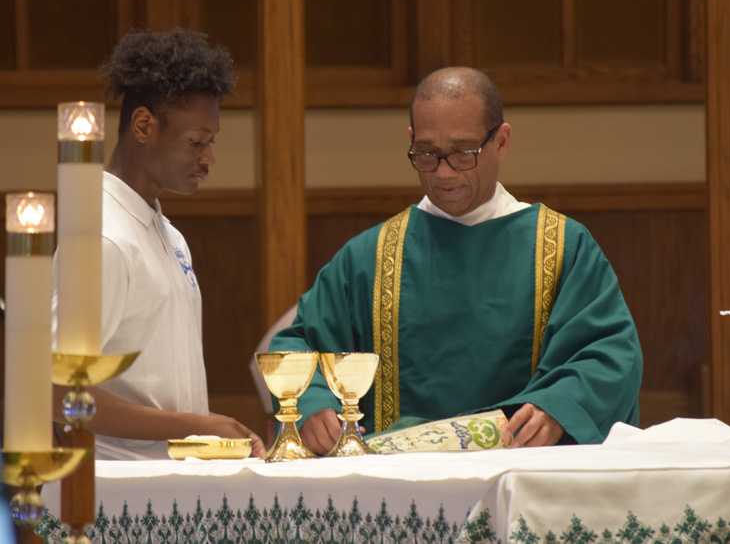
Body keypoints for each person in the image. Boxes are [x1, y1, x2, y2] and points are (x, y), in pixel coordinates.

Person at [268, 66, 643, 452]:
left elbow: (609, 352)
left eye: (463, 153)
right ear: (411, 140)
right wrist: (312, 405)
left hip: (521, 468)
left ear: (501, 142)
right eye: (427, 154)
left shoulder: (562, 246)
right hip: (399, 478)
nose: (444, 172)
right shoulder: (369, 257)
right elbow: (297, 345)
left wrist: (559, 407)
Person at [52, 28, 264, 460]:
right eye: (196, 142)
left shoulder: (167, 233)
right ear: (144, 126)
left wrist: (207, 428)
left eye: (211, 142)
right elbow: (56, 392)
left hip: (167, 481)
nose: (209, 158)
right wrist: (195, 427)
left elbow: (157, 385)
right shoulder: (103, 237)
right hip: (116, 485)